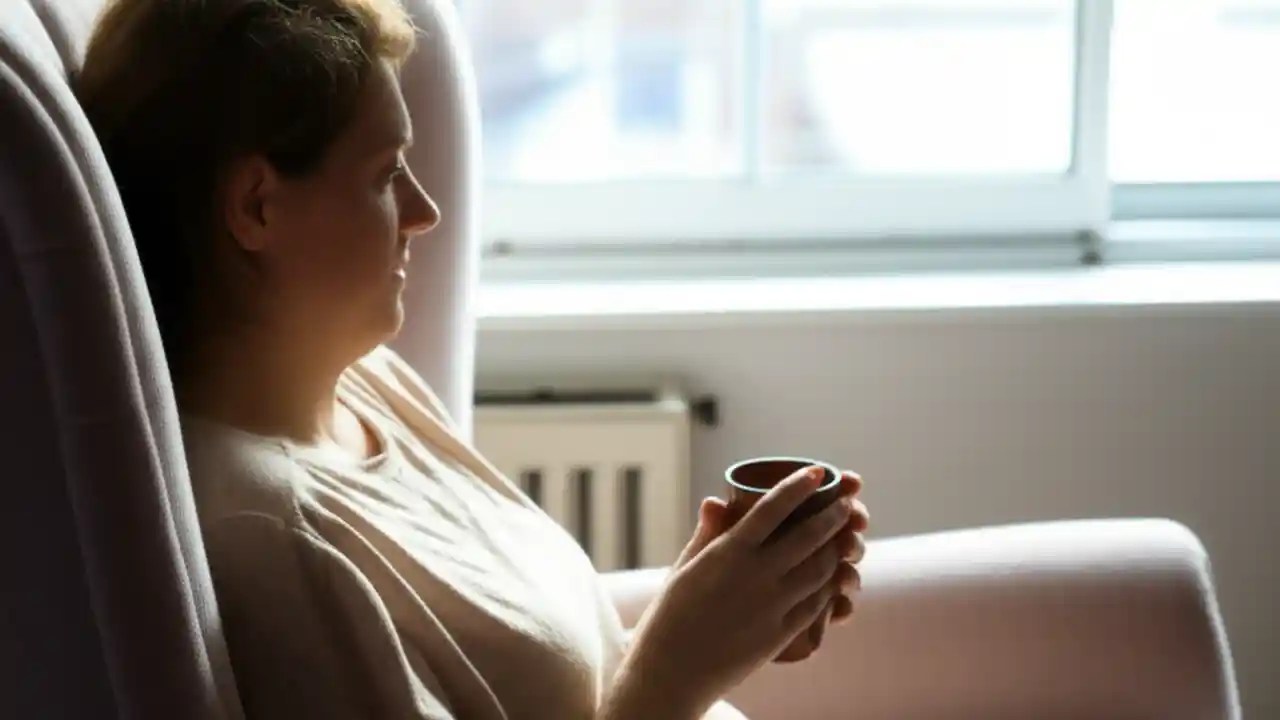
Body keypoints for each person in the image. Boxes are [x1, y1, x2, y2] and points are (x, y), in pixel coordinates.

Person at [76, 0, 870, 717]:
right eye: (386, 175)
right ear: (256, 206)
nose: (424, 212)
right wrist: (677, 673)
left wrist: (718, 610)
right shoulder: (273, 541)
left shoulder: (367, 386)